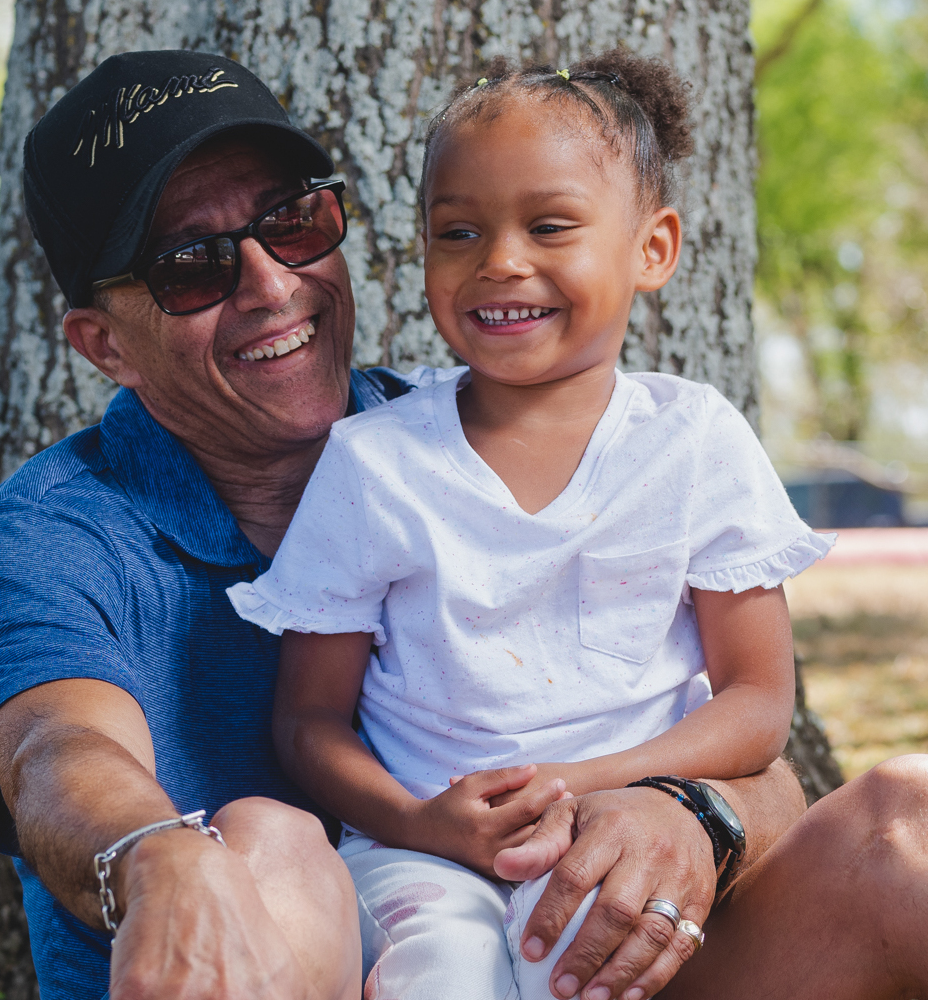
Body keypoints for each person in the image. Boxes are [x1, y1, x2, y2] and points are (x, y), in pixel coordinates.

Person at [0, 48, 928, 1000]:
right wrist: (155, 858)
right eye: (192, 265)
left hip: (595, 958)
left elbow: (770, 758)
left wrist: (681, 811)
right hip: (365, 950)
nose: (273, 283)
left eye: (295, 221)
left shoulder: (459, 431)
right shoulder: (52, 533)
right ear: (103, 341)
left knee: (917, 815)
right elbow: (61, 757)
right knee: (265, 846)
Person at [226, 49, 829, 1000]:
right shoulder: (374, 462)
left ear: (653, 250)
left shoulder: (694, 442)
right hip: (417, 857)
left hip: (627, 835)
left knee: (594, 964)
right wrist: (427, 823)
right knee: (443, 973)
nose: (500, 261)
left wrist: (599, 782)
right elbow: (308, 721)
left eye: (550, 225)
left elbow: (757, 700)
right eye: (457, 231)